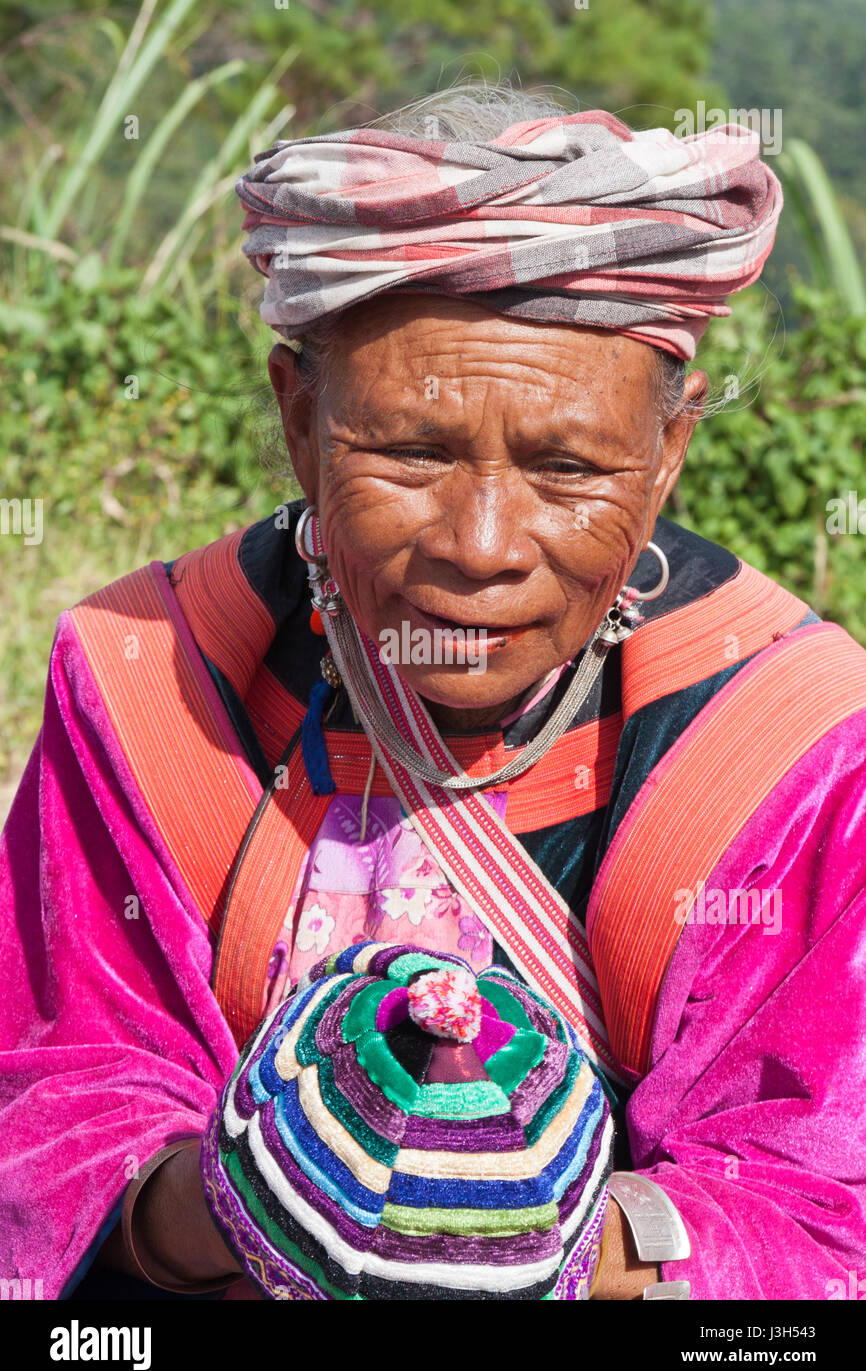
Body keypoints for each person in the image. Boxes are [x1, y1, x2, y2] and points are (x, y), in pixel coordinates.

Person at [2, 84, 865, 1303]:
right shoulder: (151, 687)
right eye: (410, 451)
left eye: (569, 467)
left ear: (666, 456)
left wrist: (534, 1236)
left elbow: (817, 1212)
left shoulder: (794, 753)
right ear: (301, 422)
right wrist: (236, 1202)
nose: (480, 543)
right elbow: (57, 1105)